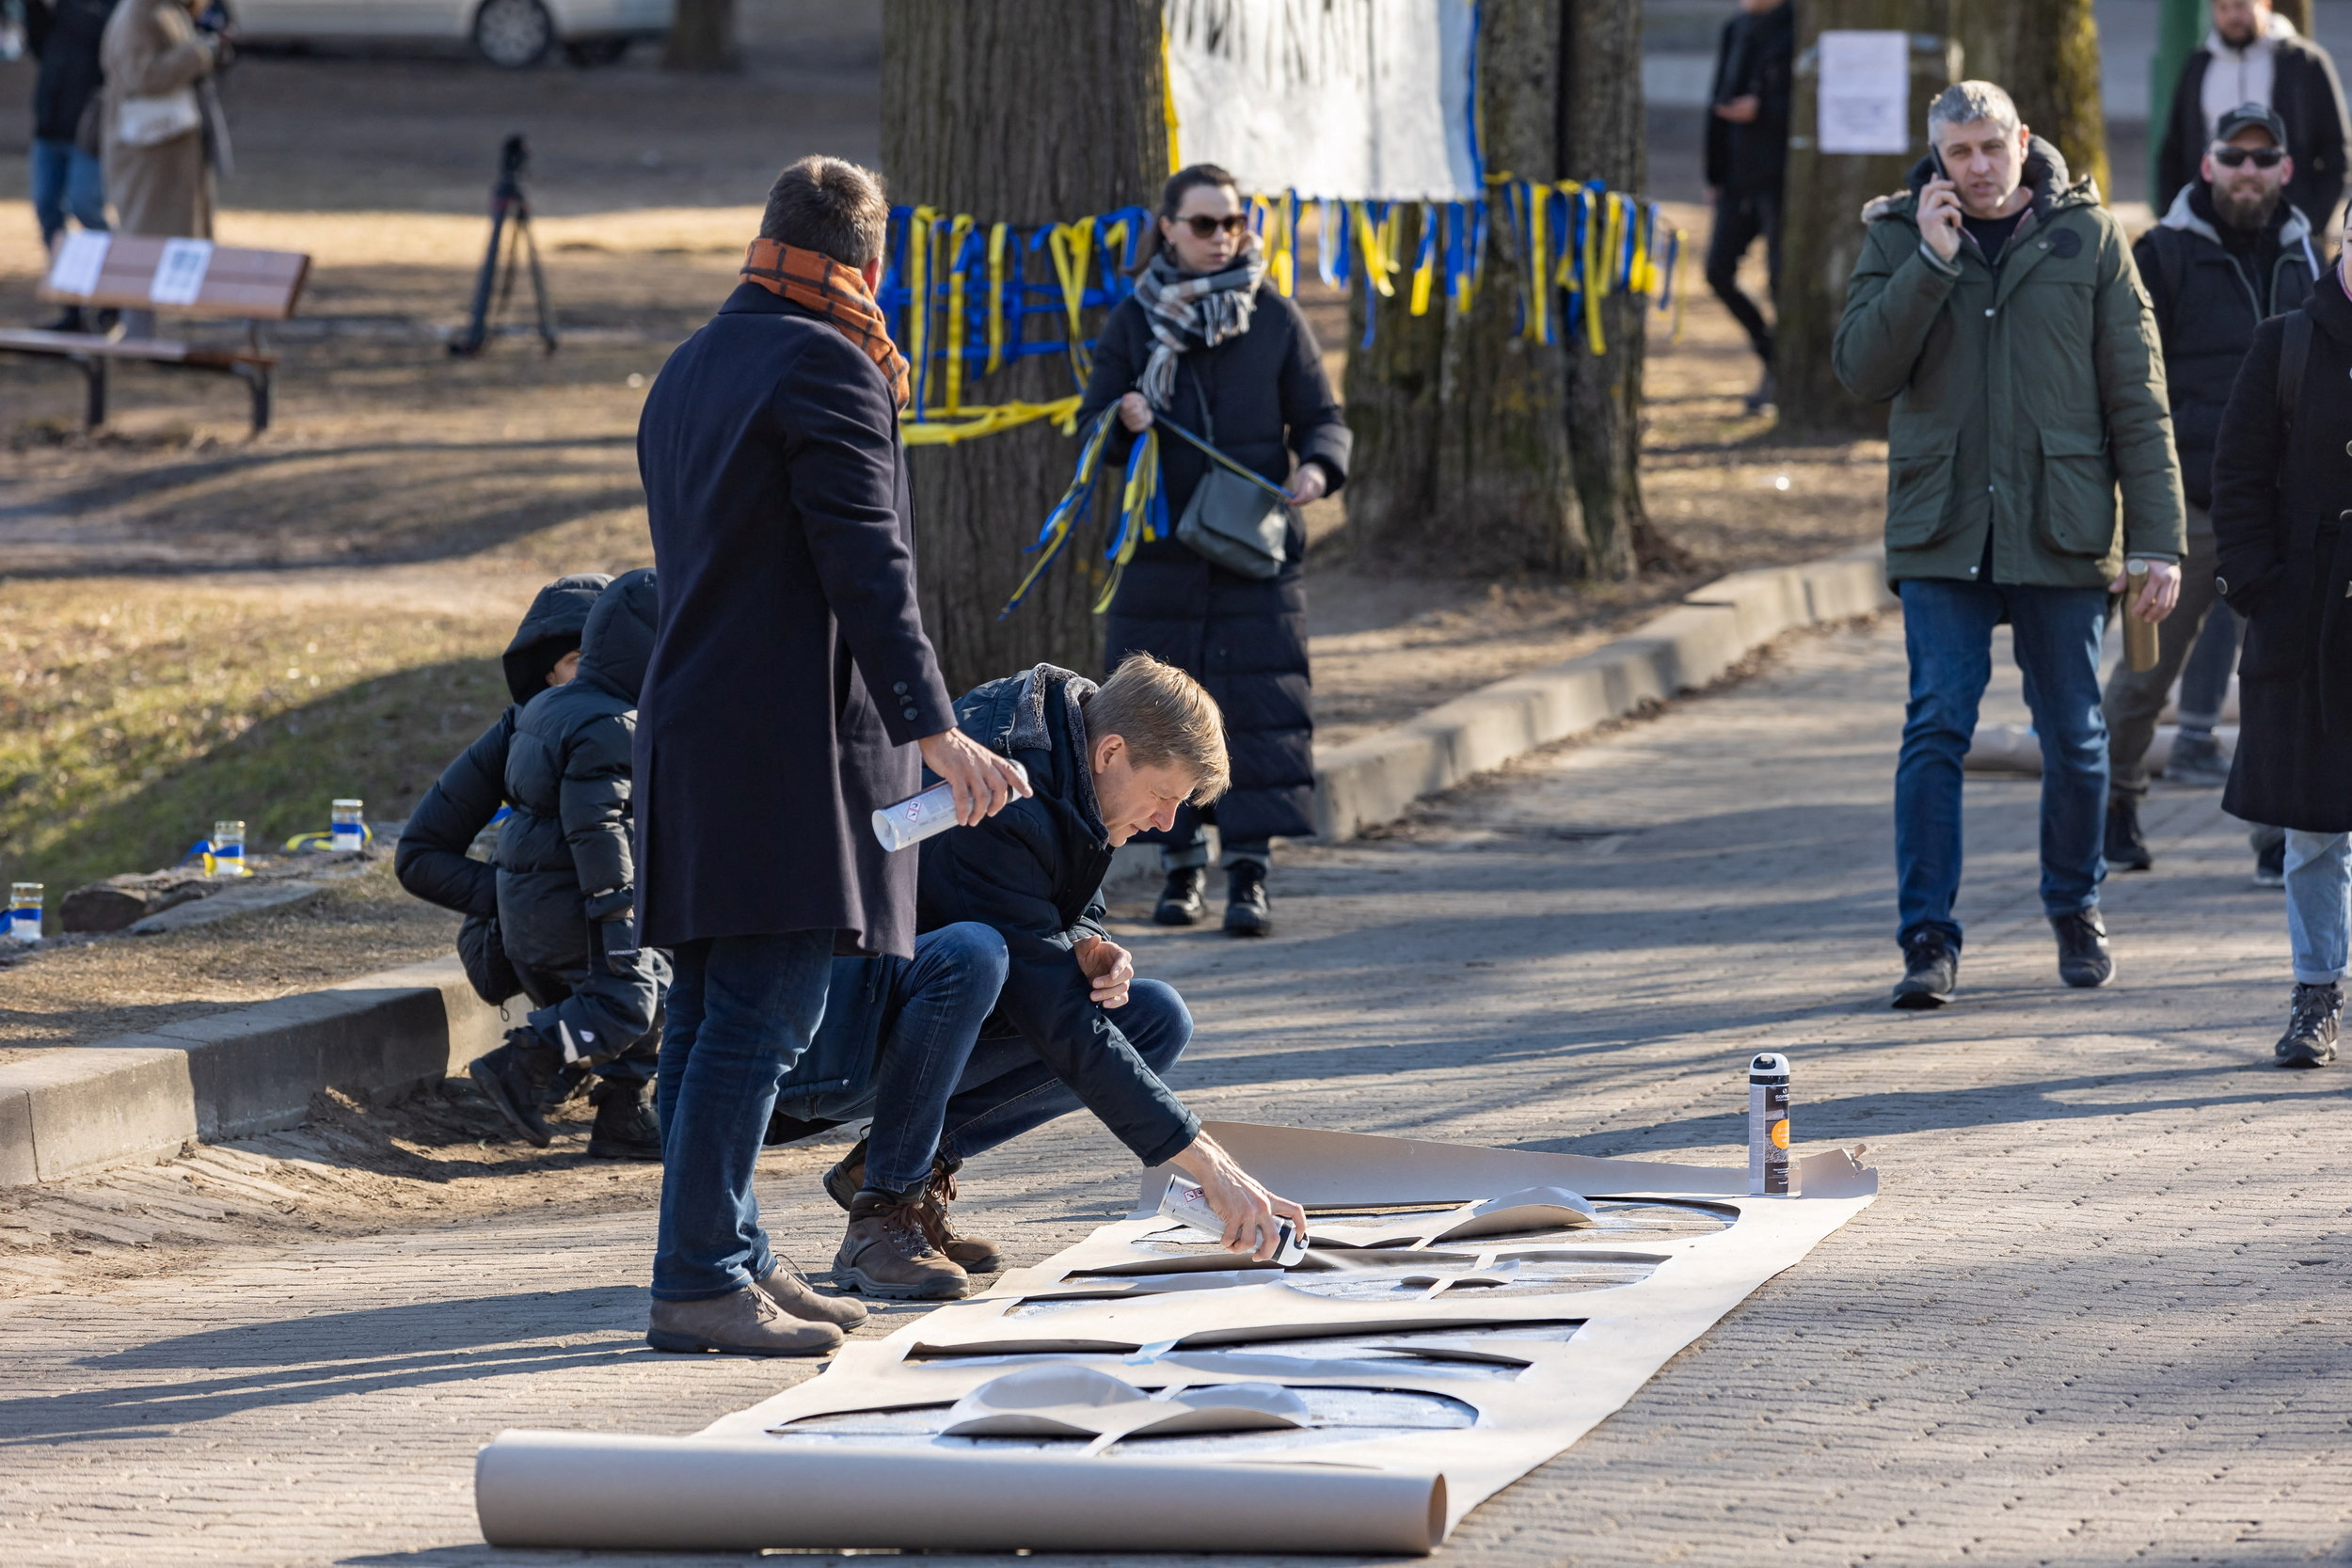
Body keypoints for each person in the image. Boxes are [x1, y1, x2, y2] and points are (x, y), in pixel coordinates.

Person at [632, 154, 1029, 1357]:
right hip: (788, 747)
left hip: (693, 731)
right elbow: (868, 563)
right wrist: (933, 726)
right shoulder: (829, 364)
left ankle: (735, 1249)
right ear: (867, 263)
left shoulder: (692, 365)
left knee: (712, 1013)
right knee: (759, 1021)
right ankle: (700, 1274)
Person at [1834, 81, 2186, 1009]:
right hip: (1942, 526)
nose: (1979, 168)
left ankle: (2074, 902)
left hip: (2062, 525)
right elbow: (1861, 371)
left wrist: (2157, 538)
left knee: (2075, 735)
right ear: (1936, 156)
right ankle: (1927, 937)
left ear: (2024, 141)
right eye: (1959, 152)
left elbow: (2139, 400)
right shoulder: (1895, 235)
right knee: (1934, 726)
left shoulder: (2091, 237)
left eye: (1993, 146)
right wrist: (1931, 261)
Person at [761, 656, 1255, 1301]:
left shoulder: (1068, 765)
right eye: (1165, 797)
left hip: (896, 1011)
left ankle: (901, 1165)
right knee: (975, 954)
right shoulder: (1006, 791)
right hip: (818, 1039)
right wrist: (1205, 1161)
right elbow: (1051, 1008)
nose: (1167, 822)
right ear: (1112, 751)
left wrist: (1090, 944)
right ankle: (881, 1213)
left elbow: (1056, 911)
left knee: (1154, 1017)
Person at [1077, 163, 1352, 940]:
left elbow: (1324, 418)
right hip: (1161, 553)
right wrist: (1123, 416)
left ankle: (1250, 874)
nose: (1221, 237)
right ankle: (1179, 868)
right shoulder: (1135, 321)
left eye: (1232, 223)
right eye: (1203, 224)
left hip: (1254, 550)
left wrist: (1314, 469)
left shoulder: (1272, 314)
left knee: (1257, 710)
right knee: (1160, 712)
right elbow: (1091, 423)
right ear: (1167, 228)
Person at [2106, 103, 2321, 876]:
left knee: (2276, 675)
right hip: (2186, 507)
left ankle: (2275, 833)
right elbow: (2127, 380)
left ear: (2287, 170)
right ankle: (2114, 804)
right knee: (2142, 674)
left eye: (2265, 159)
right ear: (2207, 164)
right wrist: (2138, 503)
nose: (2248, 171)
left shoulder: (2312, 258)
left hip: (2280, 513)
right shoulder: (2159, 255)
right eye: (2234, 156)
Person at [396, 573, 667, 1159]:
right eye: (575, 658)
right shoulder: (543, 725)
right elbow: (419, 855)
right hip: (555, 926)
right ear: (545, 673)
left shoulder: (637, 719)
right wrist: (520, 894)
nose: (587, 670)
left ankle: (618, 1102)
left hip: (596, 911)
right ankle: (546, 1062)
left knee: (671, 958)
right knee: (640, 979)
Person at [2207, 243, 2352, 1069]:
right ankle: (2316, 990)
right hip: (2307, 619)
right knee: (2315, 823)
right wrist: (2258, 585)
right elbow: (2237, 472)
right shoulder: (2286, 341)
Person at [2155, 0, 2349, 236]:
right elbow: (2173, 149)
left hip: (2285, 224)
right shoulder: (2198, 65)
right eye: (2222, 9)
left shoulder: (2304, 62)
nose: (2232, 17)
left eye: (2240, 6)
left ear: (2264, 5)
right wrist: (2172, 218)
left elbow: (2336, 149)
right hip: (2206, 226)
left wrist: (2313, 221)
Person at [1702, 0, 1793, 414]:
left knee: (1781, 282)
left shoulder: (1798, 26)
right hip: (1737, 180)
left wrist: (1764, 111)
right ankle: (1772, 354)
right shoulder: (1735, 29)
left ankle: (1783, 378)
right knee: (1718, 272)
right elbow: (1716, 105)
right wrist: (1715, 175)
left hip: (1782, 181)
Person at [24, 0, 116, 333]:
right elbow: (40, 47)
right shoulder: (58, 10)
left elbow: (106, 49)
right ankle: (73, 305)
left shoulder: (108, 9)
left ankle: (114, 296)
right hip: (49, 124)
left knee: (86, 207)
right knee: (48, 211)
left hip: (88, 128)